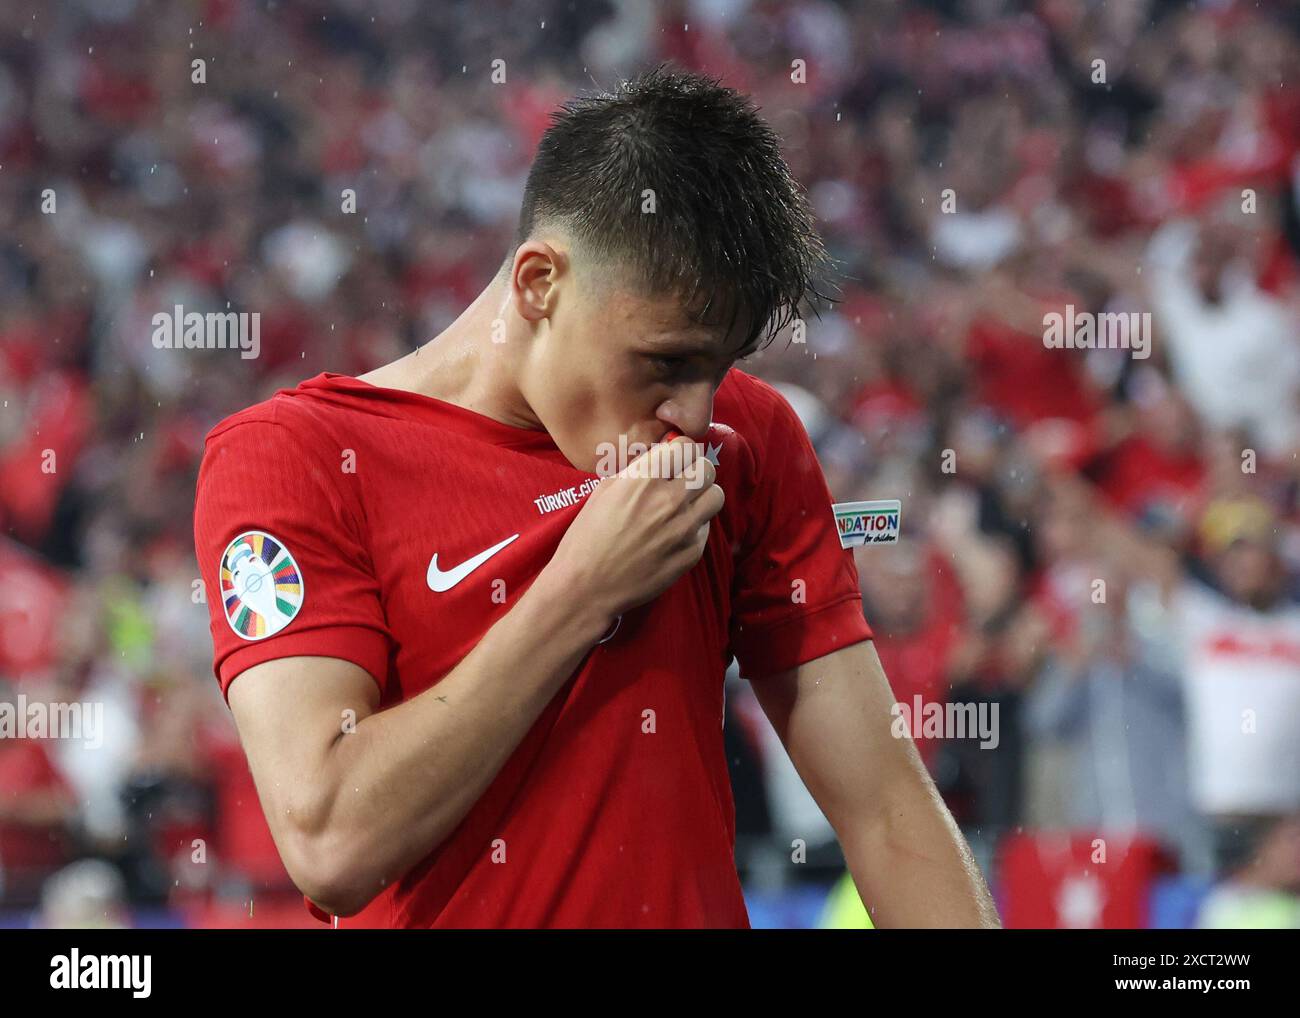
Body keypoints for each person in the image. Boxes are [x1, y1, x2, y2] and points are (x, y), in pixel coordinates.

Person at [192, 65, 998, 929]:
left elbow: (885, 810)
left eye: (719, 369)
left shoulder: (747, 442)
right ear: (539, 284)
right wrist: (581, 592)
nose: (694, 412)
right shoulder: (294, 459)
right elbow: (331, 842)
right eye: (666, 363)